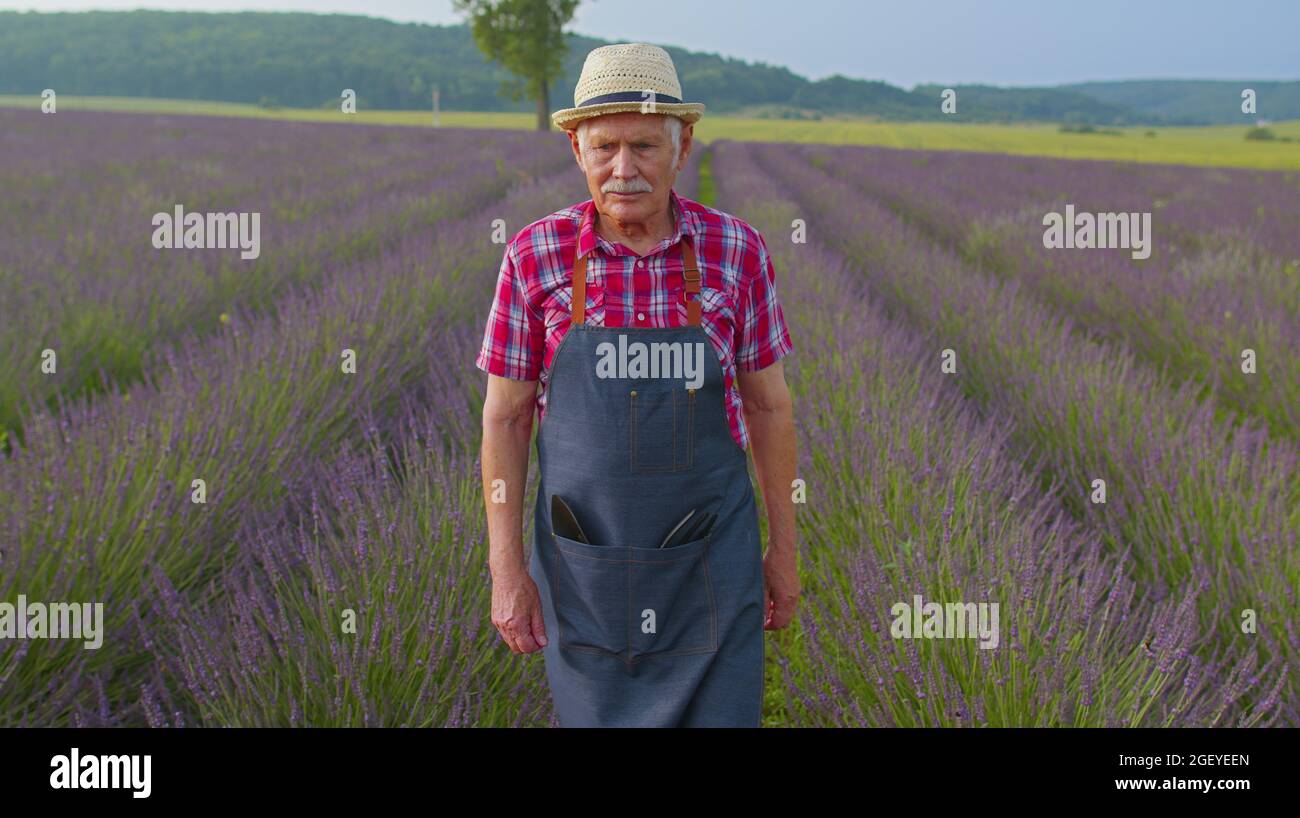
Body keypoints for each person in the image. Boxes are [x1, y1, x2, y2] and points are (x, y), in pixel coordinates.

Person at [476, 42, 800, 727]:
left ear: (683, 148)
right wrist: (508, 572)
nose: (624, 169)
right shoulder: (534, 256)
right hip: (586, 571)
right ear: (576, 149)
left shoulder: (736, 251)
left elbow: (769, 406)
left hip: (711, 565)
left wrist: (784, 551)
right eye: (606, 147)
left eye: (646, 146)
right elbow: (504, 419)